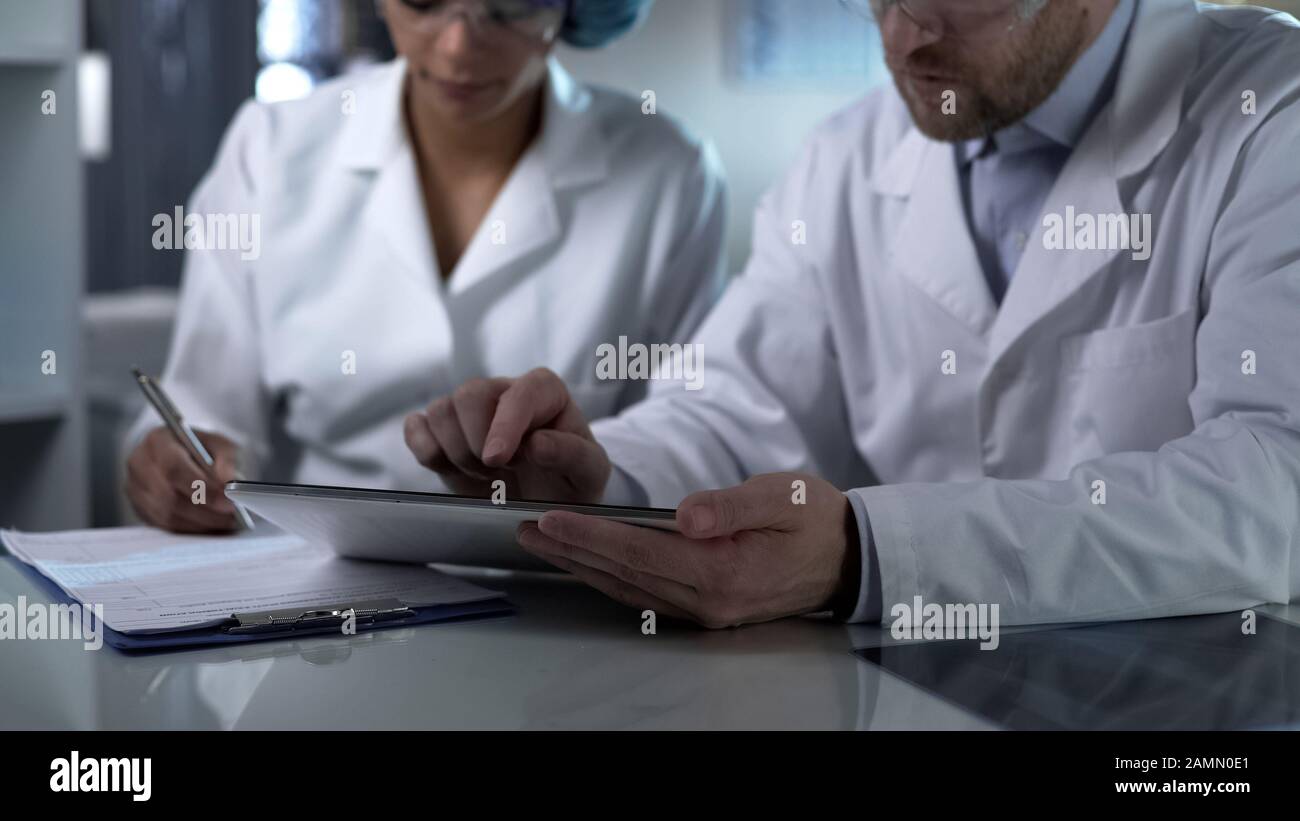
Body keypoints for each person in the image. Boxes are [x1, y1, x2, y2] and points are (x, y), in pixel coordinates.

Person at [405, 0, 1300, 628]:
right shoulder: (845, 157)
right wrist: (602, 479)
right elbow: (734, 410)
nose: (904, 39)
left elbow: (1271, 486)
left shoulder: (1270, 114)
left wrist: (871, 554)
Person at [124, 0, 727, 533]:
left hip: (563, 587)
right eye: (422, 0)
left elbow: (693, 432)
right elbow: (205, 408)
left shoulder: (669, 171)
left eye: (509, 5)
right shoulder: (271, 147)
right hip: (318, 594)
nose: (459, 44)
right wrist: (176, 464)